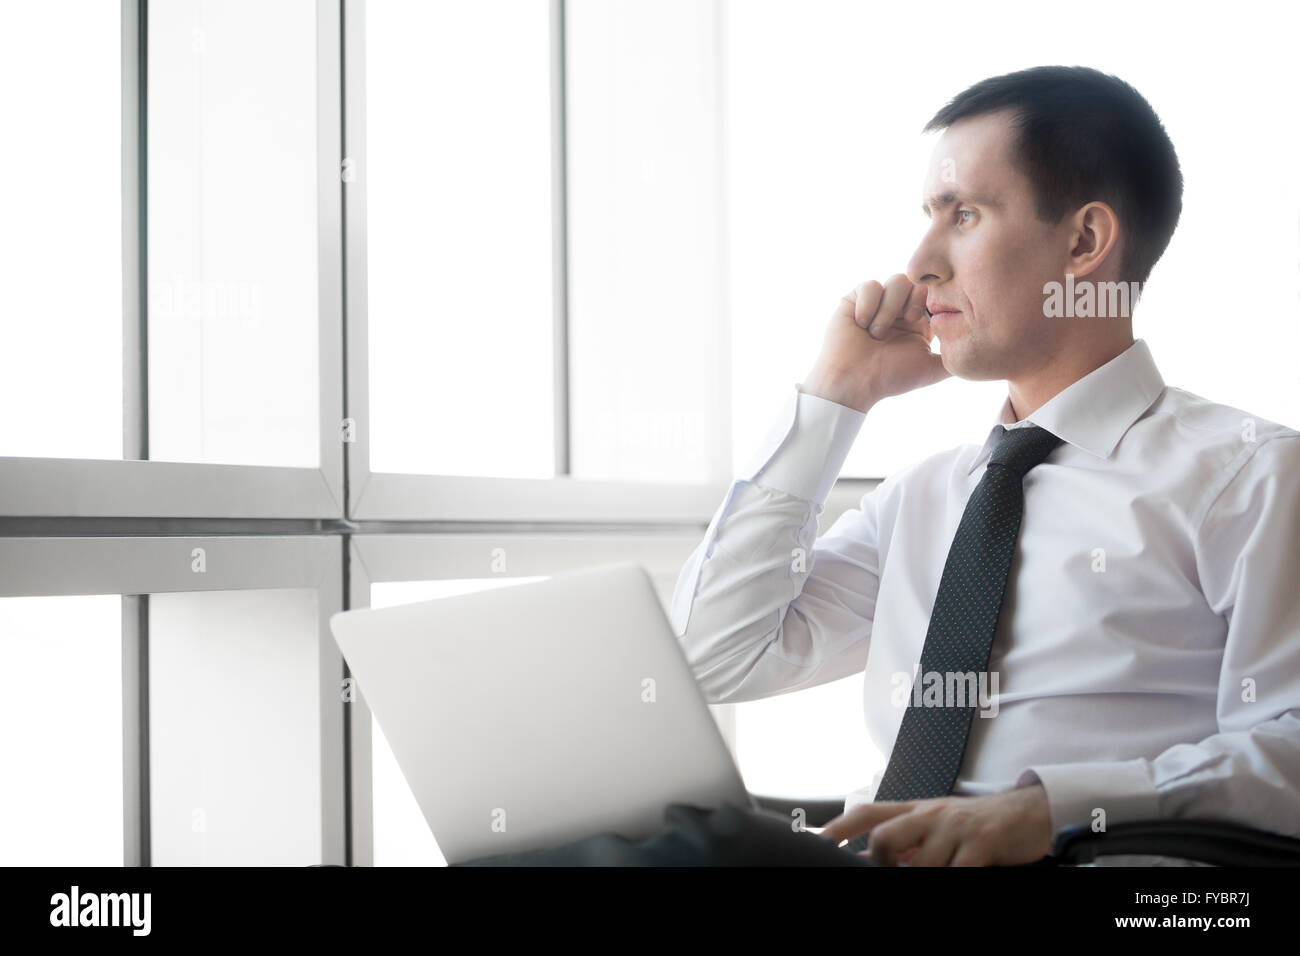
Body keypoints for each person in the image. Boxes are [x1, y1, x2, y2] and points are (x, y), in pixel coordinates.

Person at [456, 64, 1300, 867]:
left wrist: (1045, 809)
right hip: (879, 848)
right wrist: (835, 397)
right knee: (587, 837)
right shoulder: (930, 496)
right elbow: (717, 654)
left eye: (962, 215)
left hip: (1102, 864)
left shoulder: (1252, 478)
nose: (919, 263)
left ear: (1083, 241)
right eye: (928, 216)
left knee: (700, 852)